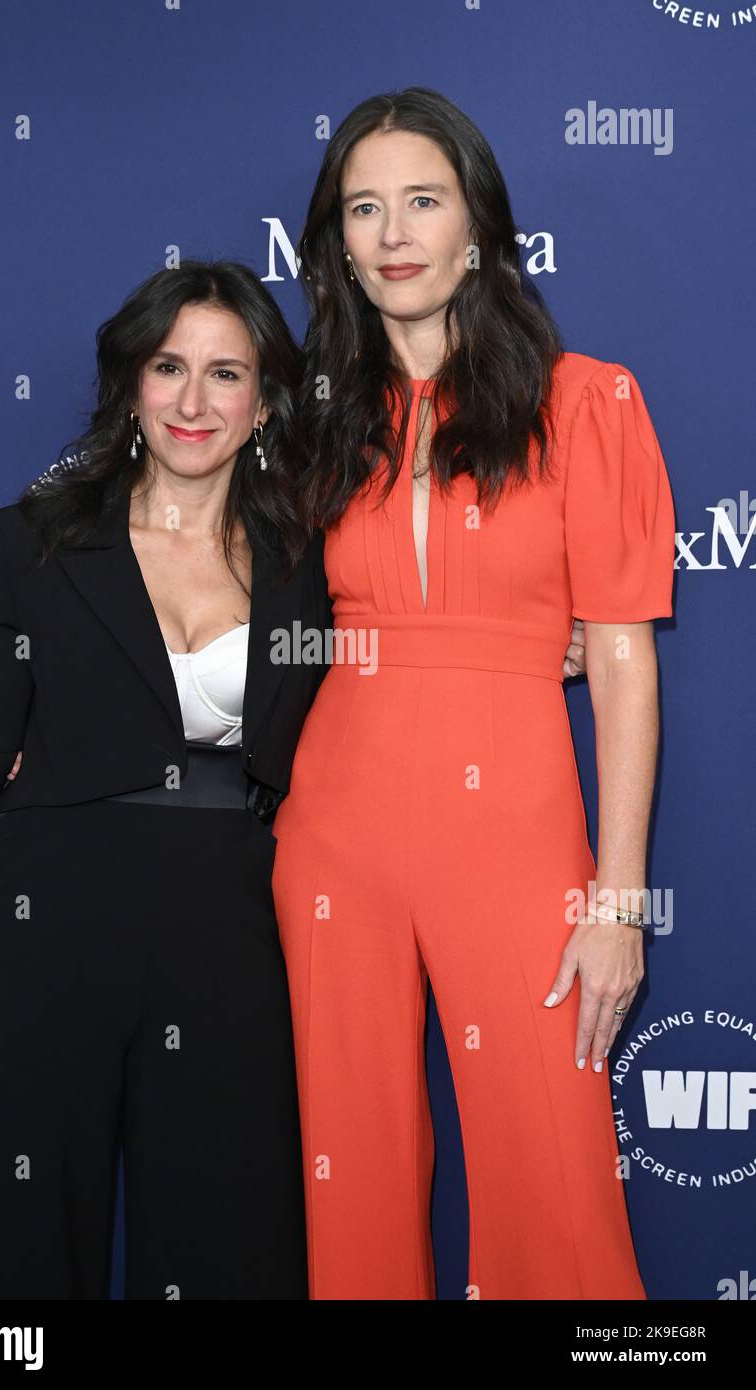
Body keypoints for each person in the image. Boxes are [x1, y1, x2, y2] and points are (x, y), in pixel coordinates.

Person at [270, 88, 676, 1300]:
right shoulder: (311, 422)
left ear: (479, 227)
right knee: (352, 1185)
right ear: (338, 240)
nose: (395, 231)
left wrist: (619, 902)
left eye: (424, 200)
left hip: (516, 833)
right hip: (333, 836)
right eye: (365, 206)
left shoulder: (587, 400)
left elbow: (619, 657)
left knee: (555, 1181)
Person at [0, 262, 330, 1300]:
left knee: (231, 1249)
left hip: (232, 940)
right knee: (8, 1263)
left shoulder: (312, 561)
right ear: (130, 384)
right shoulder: (30, 544)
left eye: (225, 373)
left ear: (265, 399)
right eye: (168, 366)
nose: (193, 401)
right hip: (40, 931)